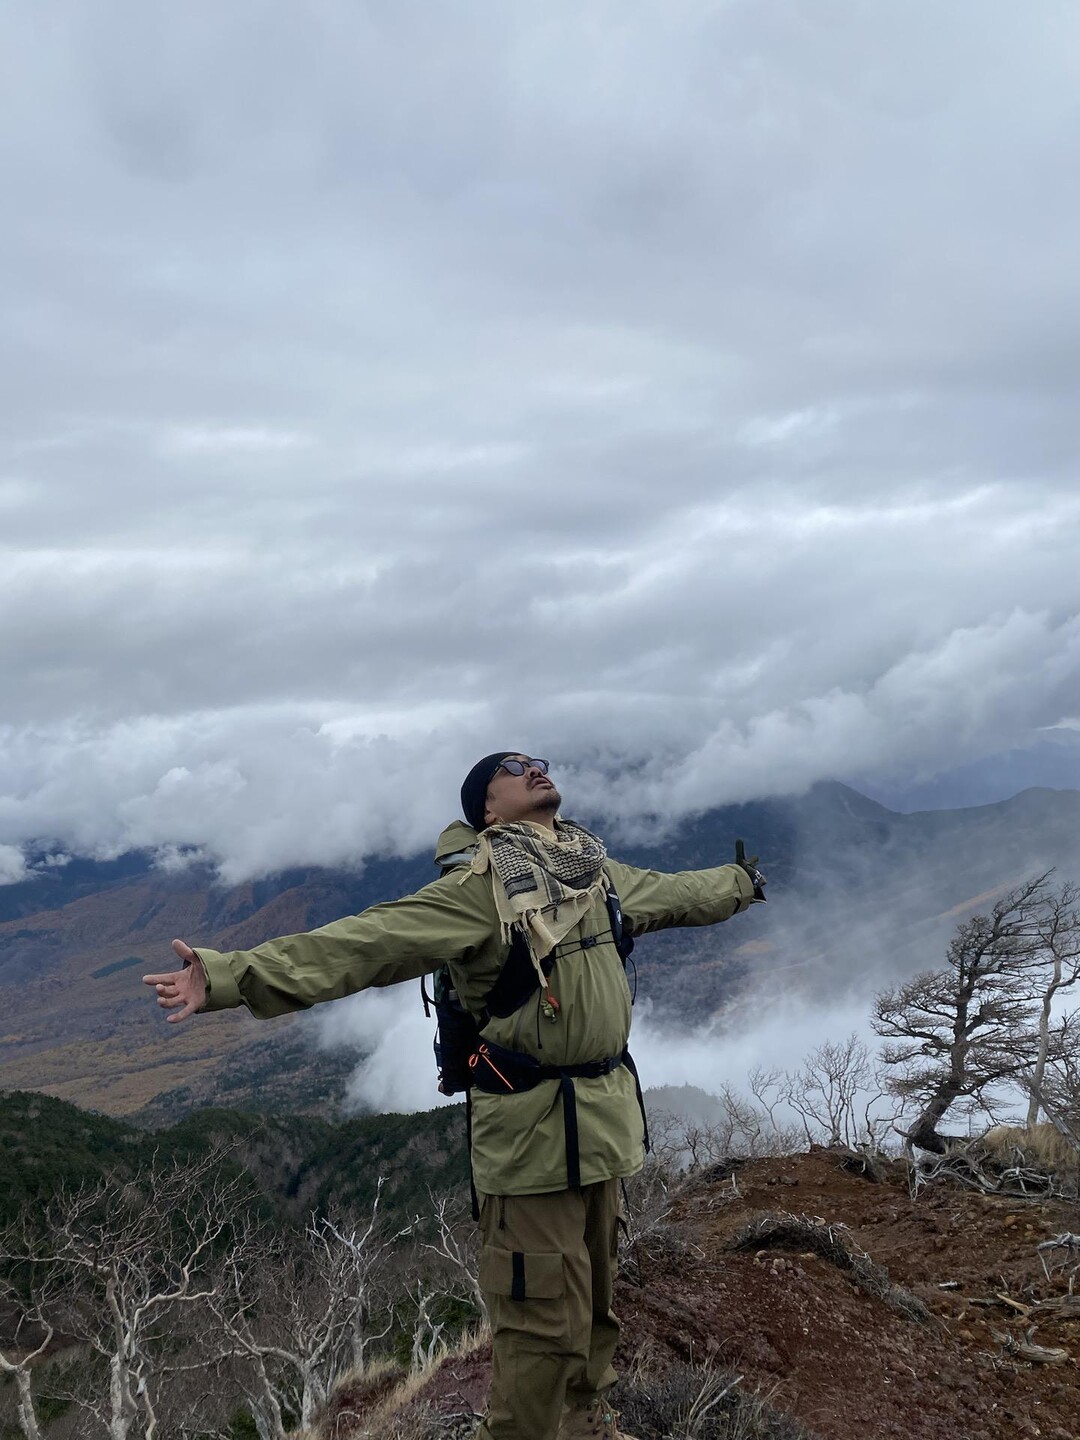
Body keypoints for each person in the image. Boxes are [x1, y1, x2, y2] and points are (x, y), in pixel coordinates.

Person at [144, 752, 765, 1440]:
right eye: (512, 768)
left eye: (538, 762)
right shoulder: (480, 889)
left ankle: (587, 1425)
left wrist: (741, 881)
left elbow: (679, 894)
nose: (534, 770)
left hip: (604, 1129)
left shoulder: (595, 872)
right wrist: (231, 974)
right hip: (529, 1139)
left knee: (594, 1307)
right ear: (488, 812)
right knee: (536, 1324)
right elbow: (363, 943)